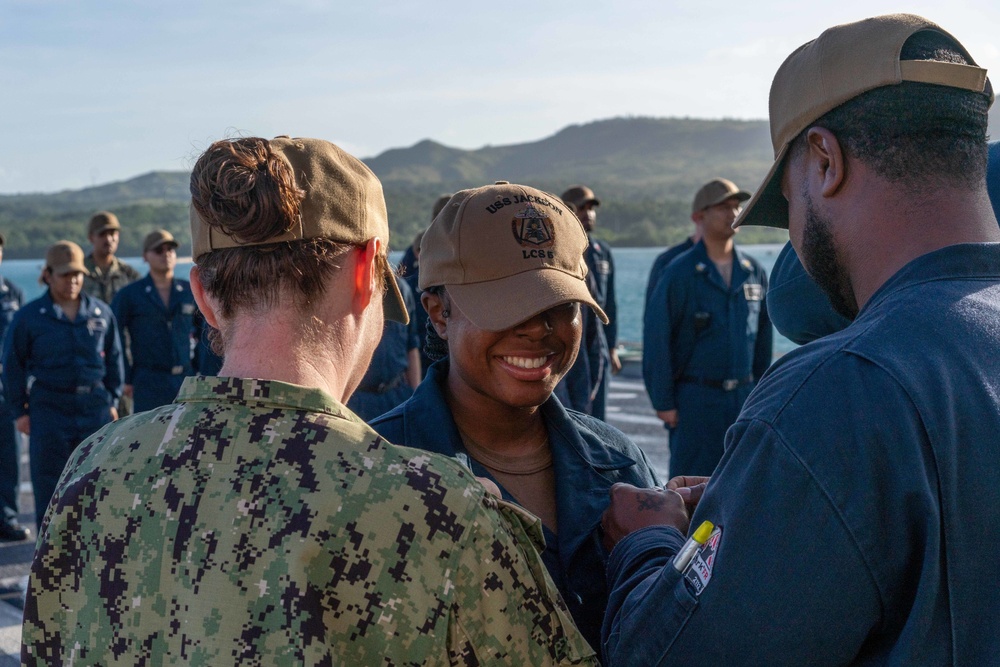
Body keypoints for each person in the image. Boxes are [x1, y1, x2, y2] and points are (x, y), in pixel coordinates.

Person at [21, 137, 596, 666]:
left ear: (203, 296)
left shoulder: (92, 473)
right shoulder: (443, 514)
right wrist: (652, 551)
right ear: (367, 274)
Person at [602, 14, 999, 665]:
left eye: (786, 201)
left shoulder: (841, 391)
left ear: (823, 161)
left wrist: (648, 539)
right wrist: (767, 494)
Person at [370, 182, 661, 651]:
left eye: (559, 303)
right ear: (439, 313)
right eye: (505, 304)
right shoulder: (380, 471)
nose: (536, 328)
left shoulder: (617, 461)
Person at [642, 177, 772, 476]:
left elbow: (762, 339)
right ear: (700, 216)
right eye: (723, 207)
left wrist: (763, 395)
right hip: (696, 401)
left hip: (743, 399)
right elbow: (658, 337)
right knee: (691, 493)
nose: (733, 212)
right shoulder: (679, 272)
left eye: (737, 205)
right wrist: (664, 401)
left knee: (743, 484)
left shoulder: (753, 272)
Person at [2, 240, 122, 528]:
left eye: (77, 274)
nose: (72, 281)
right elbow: (13, 366)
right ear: (48, 275)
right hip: (49, 411)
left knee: (97, 486)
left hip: (93, 409)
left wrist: (113, 401)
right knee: (51, 490)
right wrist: (20, 411)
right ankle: (50, 564)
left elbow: (115, 361)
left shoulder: (101, 314)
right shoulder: (29, 317)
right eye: (65, 275)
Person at [111, 230, 197, 412]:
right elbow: (114, 334)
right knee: (150, 438)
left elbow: (206, 331)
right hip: (148, 381)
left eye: (170, 249)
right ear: (145, 256)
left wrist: (200, 368)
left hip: (186, 380)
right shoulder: (131, 295)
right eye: (159, 250)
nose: (166, 254)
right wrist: (126, 376)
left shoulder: (190, 291)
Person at [560, 185, 619, 419]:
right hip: (574, 336)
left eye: (592, 207)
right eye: (582, 207)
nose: (589, 213)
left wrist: (612, 347)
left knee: (597, 415)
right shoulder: (560, 251)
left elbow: (610, 303)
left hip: (599, 341)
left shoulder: (601, 251)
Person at [346, 276, 420, 420]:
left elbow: (412, 346)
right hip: (359, 401)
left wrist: (416, 394)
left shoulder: (402, 290)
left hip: (397, 395)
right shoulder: (352, 289)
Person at [0, 233, 27, 542]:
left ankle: (6, 518)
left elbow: (19, 346)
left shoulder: (12, 292)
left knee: (8, 456)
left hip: (5, 386)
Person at [82, 211, 141, 304]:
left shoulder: (128, 273)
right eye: (102, 234)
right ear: (91, 237)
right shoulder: (80, 272)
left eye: (113, 233)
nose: (109, 239)